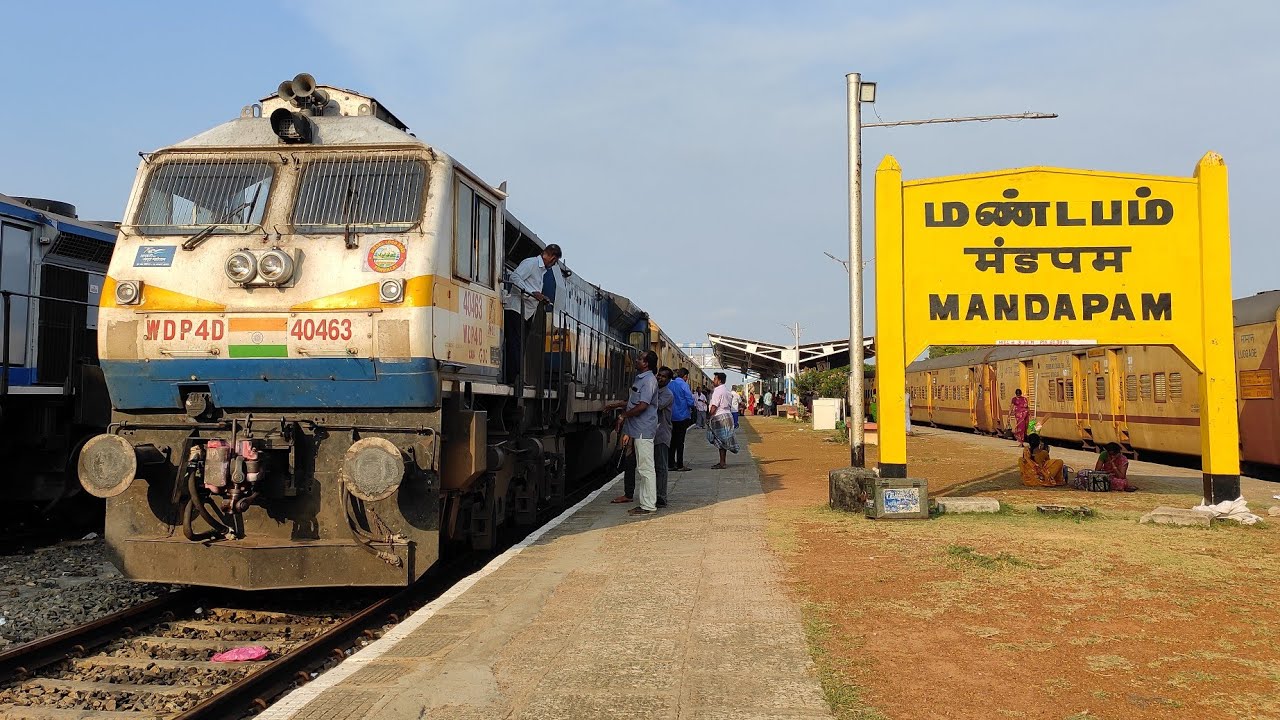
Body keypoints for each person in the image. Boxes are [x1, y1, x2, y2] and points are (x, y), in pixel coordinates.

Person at [606, 350, 659, 514]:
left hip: (643, 429)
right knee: (642, 468)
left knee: (646, 468)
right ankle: (645, 502)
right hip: (636, 429)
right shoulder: (640, 379)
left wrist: (623, 416)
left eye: (640, 359)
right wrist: (614, 406)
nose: (636, 361)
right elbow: (632, 402)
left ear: (646, 363)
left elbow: (643, 405)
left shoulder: (649, 380)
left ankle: (649, 505)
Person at [503, 244, 563, 382]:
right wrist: (531, 293)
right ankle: (514, 377)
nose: (553, 264)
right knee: (515, 344)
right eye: (555, 261)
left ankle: (516, 376)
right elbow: (515, 277)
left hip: (527, 313)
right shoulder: (531, 263)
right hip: (516, 309)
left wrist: (540, 297)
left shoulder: (541, 270)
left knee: (520, 344)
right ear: (553, 258)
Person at [706, 372, 739, 468]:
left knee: (719, 440)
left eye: (715, 379)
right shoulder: (727, 391)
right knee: (723, 440)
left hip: (719, 417)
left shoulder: (717, 391)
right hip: (727, 415)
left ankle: (722, 462)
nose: (713, 380)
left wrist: (708, 417)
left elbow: (714, 406)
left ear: (719, 380)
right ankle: (722, 462)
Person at [653, 367, 674, 508]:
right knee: (652, 467)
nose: (660, 378)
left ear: (668, 380)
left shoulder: (667, 394)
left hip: (661, 433)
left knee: (661, 467)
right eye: (659, 375)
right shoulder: (654, 390)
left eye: (663, 377)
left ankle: (661, 496)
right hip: (651, 434)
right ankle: (653, 494)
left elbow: (656, 406)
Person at [669, 368, 695, 472]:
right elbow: (690, 401)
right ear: (685, 376)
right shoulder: (684, 385)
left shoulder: (670, 384)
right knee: (680, 442)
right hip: (682, 416)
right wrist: (692, 406)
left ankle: (670, 463)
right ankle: (680, 465)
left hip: (671, 416)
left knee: (672, 441)